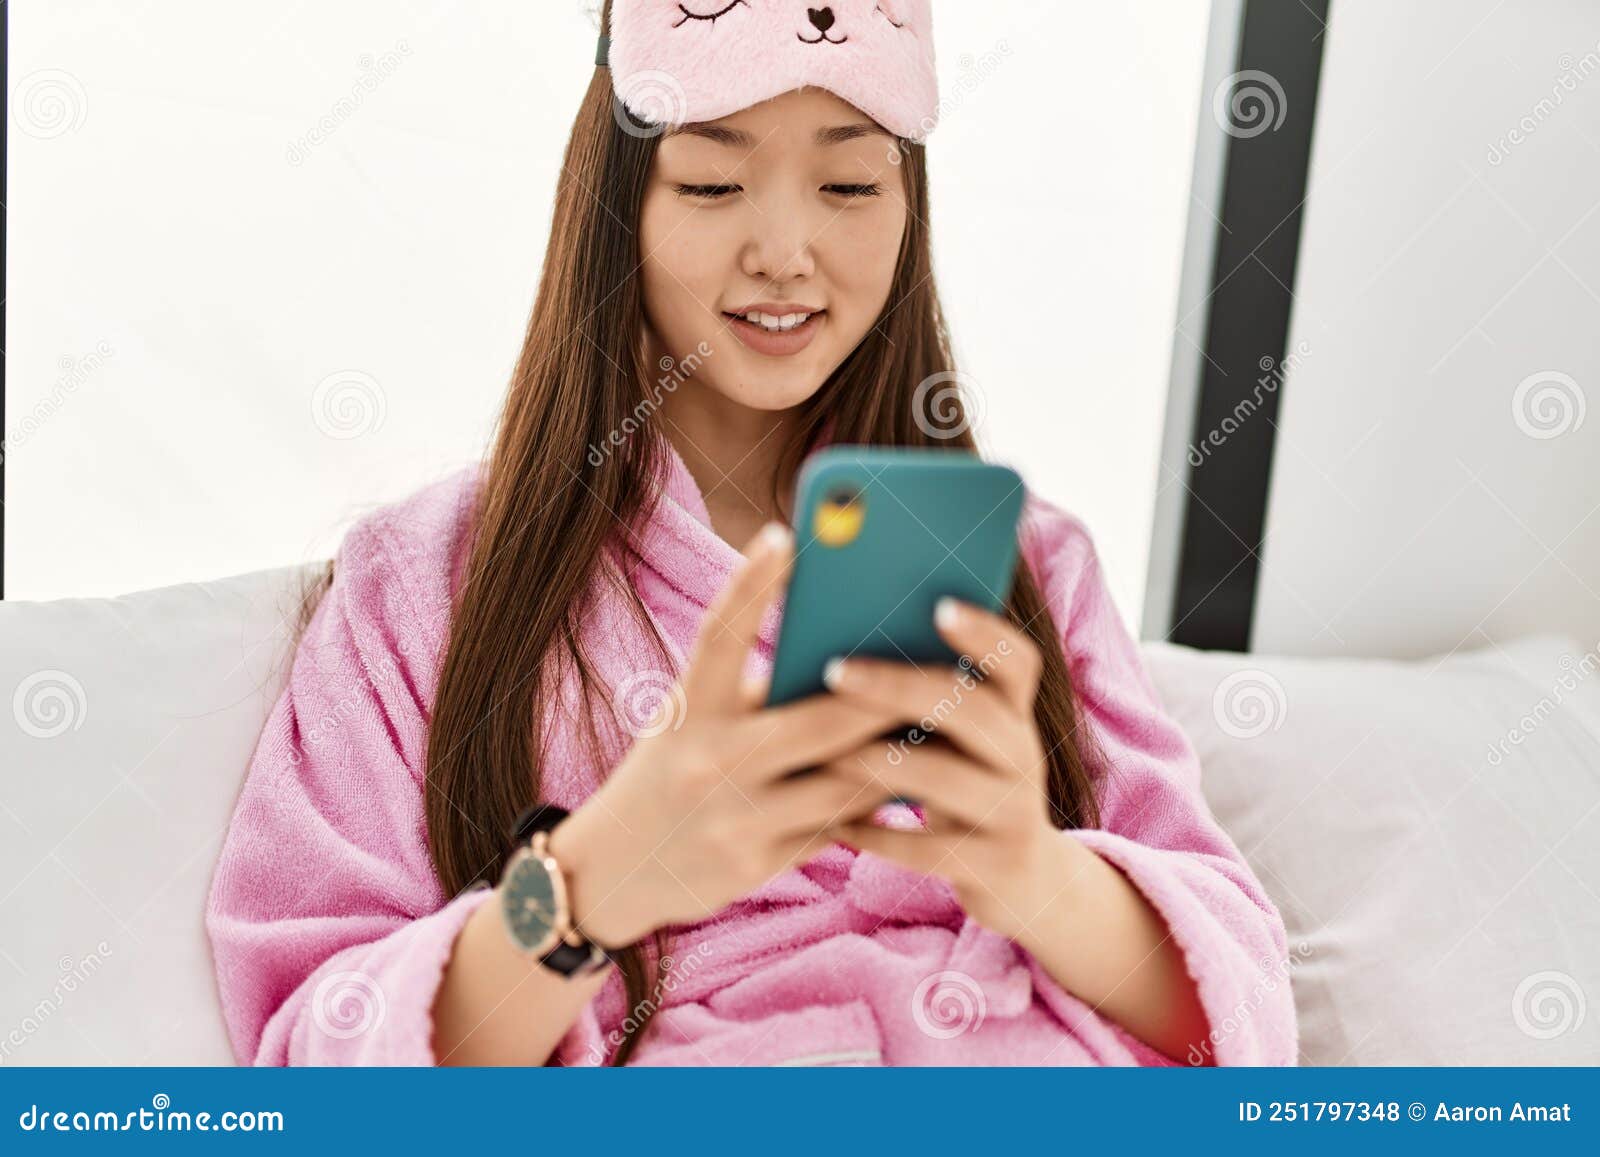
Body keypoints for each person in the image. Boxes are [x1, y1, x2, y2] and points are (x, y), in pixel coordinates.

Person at [204, 0, 1298, 1067]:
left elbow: (1241, 1013)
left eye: (850, 182)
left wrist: (1027, 871)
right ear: (616, 200)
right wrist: (593, 882)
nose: (785, 249)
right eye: (714, 181)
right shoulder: (426, 580)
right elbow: (322, 1056)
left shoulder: (1030, 569)